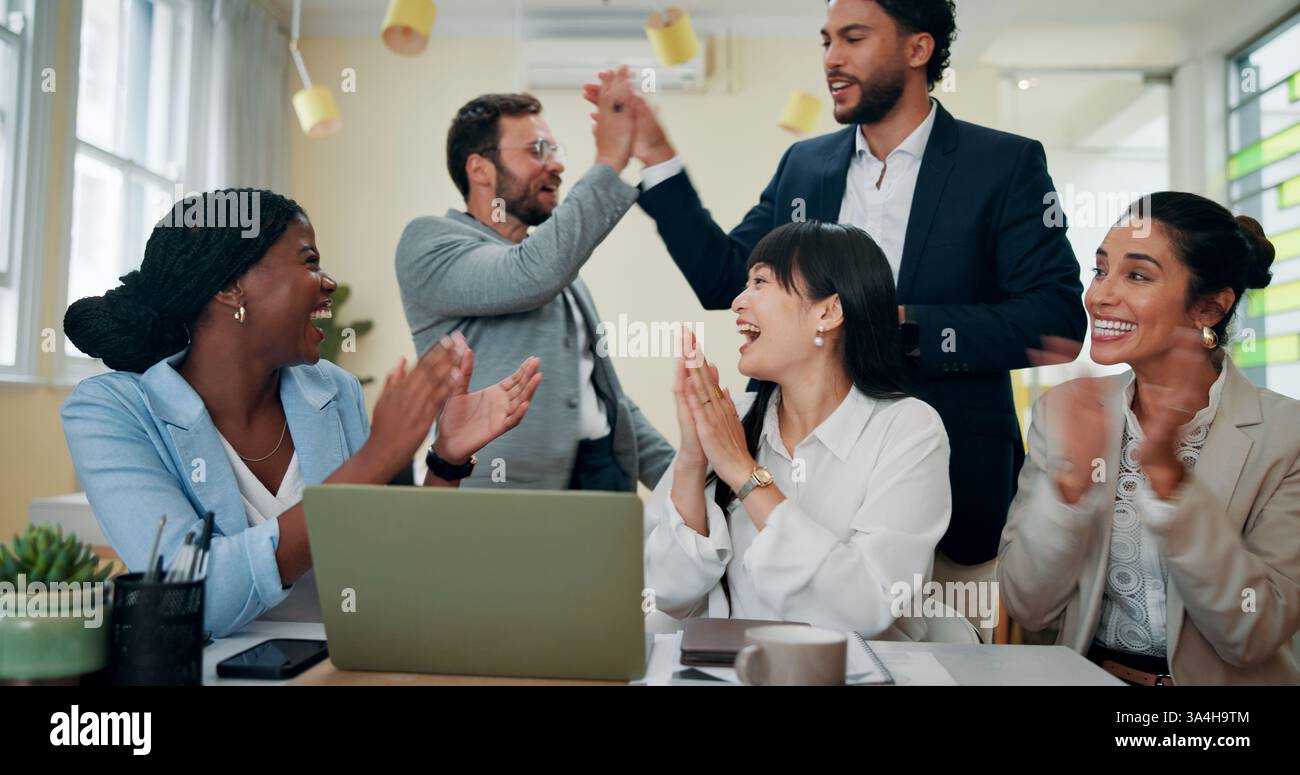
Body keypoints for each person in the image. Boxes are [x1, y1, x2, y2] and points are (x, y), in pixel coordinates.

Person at [587, 0, 1085, 567]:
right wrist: (655, 152)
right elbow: (722, 276)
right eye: (825, 41)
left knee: (941, 651)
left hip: (952, 485)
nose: (832, 59)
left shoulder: (1002, 163)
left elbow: (1057, 321)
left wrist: (896, 327)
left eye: (852, 39)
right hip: (793, 487)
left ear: (918, 48)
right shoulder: (804, 165)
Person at [61, 190, 541, 637]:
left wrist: (446, 459)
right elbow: (191, 596)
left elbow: (396, 574)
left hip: (343, 665)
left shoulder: (334, 389)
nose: (329, 283)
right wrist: (373, 460)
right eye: (310, 261)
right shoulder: (112, 411)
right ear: (232, 286)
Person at [998, 192, 1299, 685]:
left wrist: (1171, 487)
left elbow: (1253, 630)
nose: (1098, 296)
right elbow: (1028, 605)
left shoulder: (1287, 436)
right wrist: (1068, 495)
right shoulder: (1066, 412)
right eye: (1100, 270)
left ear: (1209, 307)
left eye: (1136, 275)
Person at [644, 221, 950, 638]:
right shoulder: (732, 417)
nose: (737, 302)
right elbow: (665, 593)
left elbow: (865, 609)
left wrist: (743, 472)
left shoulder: (909, 429)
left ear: (827, 313)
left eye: (760, 282)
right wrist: (694, 459)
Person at [395, 73, 673, 492]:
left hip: (602, 488)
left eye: (554, 150)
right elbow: (530, 274)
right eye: (537, 150)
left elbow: (605, 398)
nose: (557, 164)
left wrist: (687, 480)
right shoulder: (429, 242)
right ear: (480, 169)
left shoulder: (559, 270)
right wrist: (611, 158)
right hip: (504, 502)